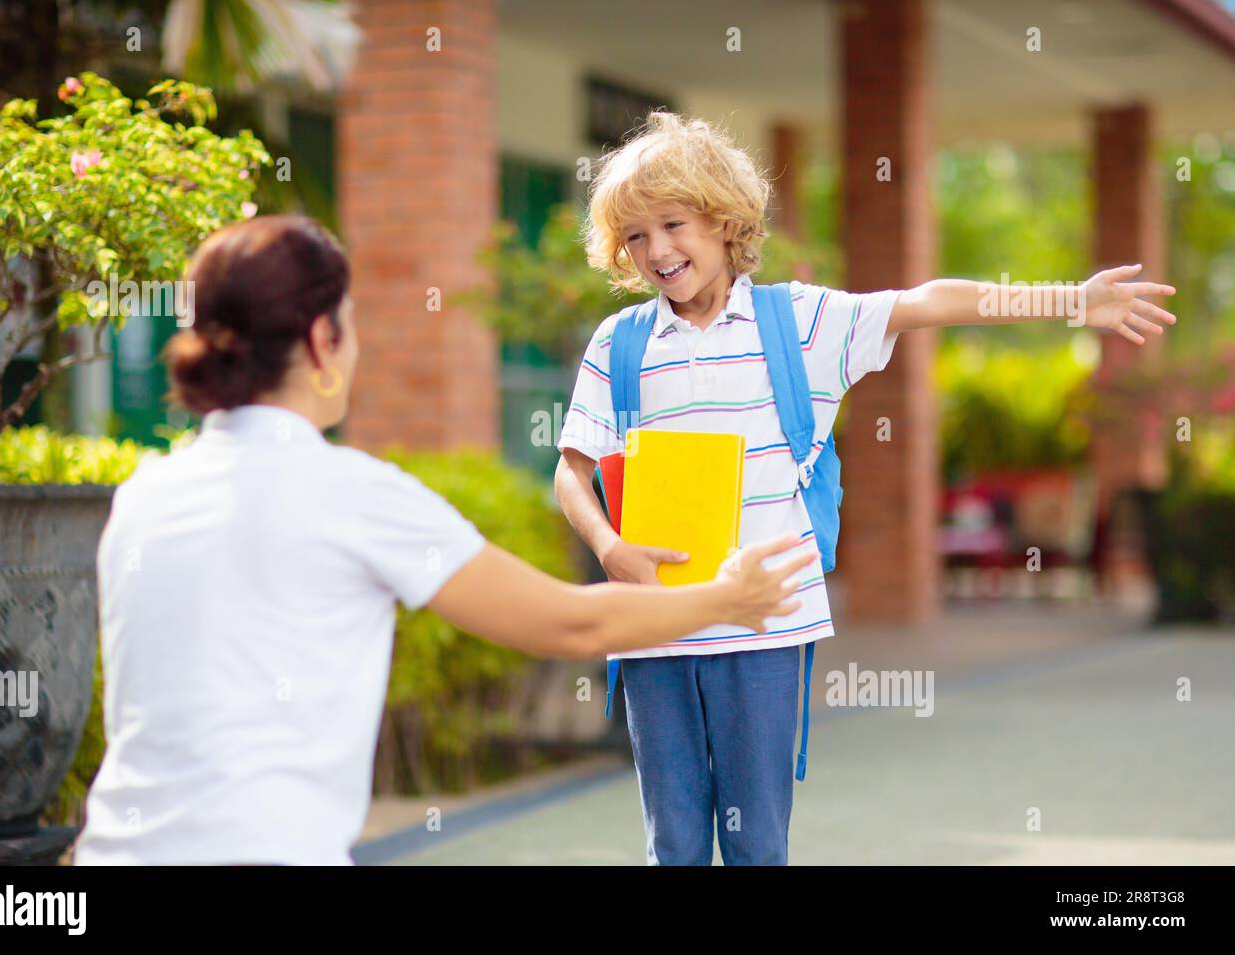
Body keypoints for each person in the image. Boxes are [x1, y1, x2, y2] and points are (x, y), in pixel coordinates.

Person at [72, 214, 814, 866]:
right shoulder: (352, 494)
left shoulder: (142, 499)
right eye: (352, 324)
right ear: (323, 342)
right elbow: (570, 621)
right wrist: (728, 598)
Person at [554, 111, 1177, 865]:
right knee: (673, 846)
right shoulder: (620, 345)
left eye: (673, 224)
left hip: (763, 632)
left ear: (724, 220)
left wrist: (1065, 300)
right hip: (653, 628)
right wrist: (611, 546)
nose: (656, 250)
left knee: (756, 848)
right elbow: (573, 470)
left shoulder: (802, 324)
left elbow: (928, 301)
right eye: (635, 237)